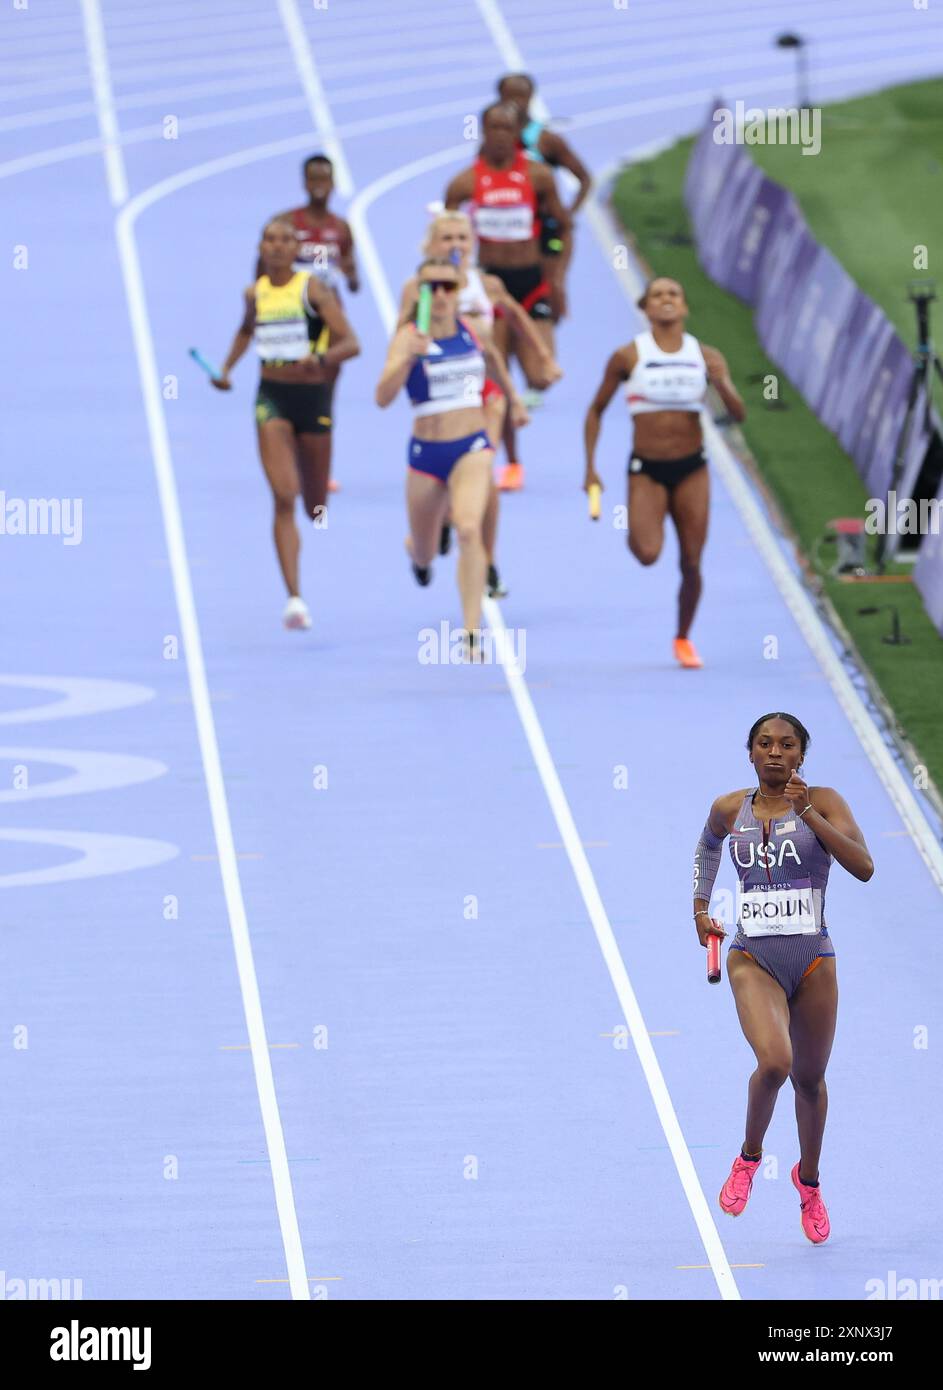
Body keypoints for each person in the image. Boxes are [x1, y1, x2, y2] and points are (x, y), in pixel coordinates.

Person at [693, 713, 874, 1244]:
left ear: (801, 755)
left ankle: (809, 1183)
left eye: (787, 744)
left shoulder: (826, 800)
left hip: (815, 958)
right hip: (754, 958)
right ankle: (749, 1158)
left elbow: (863, 866)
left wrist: (809, 813)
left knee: (810, 1081)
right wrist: (700, 909)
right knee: (775, 1061)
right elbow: (706, 848)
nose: (775, 751)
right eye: (764, 744)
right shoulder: (730, 809)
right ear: (749, 753)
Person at [583, 276, 745, 669]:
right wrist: (590, 468)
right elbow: (595, 411)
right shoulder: (628, 357)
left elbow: (737, 416)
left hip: (692, 468)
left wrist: (721, 383)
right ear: (646, 308)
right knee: (648, 553)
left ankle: (684, 638)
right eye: (658, 295)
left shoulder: (704, 356)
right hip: (647, 469)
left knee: (691, 561)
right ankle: (639, 530)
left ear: (685, 307)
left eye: (674, 293)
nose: (667, 299)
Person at [397, 211, 559, 592]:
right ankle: (430, 537)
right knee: (457, 488)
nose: (456, 246)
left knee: (482, 476)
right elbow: (400, 339)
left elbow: (518, 318)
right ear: (431, 246)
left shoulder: (487, 284)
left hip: (486, 394)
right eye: (447, 239)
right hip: (444, 394)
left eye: (462, 239)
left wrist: (543, 359)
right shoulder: (420, 288)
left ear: (473, 243)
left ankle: (488, 560)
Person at [211, 218, 359, 630]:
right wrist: (225, 369)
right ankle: (294, 598)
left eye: (284, 241)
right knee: (283, 495)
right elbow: (245, 332)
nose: (276, 247)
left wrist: (321, 359)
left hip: (312, 400)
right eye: (269, 240)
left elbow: (352, 343)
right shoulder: (254, 294)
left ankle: (314, 500)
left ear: (295, 248)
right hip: (271, 397)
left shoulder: (312, 289)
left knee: (315, 507)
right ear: (260, 247)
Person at [376, 256, 527, 653]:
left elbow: (494, 361)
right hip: (426, 455)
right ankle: (418, 554)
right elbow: (382, 397)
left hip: (471, 446)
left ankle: (472, 632)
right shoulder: (408, 336)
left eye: (448, 286)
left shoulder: (473, 330)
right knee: (427, 550)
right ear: (419, 292)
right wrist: (408, 357)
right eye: (432, 287)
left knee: (467, 529)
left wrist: (515, 401)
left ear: (459, 290)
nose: (441, 294)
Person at [444, 103, 567, 491]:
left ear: (517, 131)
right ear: (482, 130)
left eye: (505, 127)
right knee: (495, 378)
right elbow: (444, 237)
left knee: (540, 377)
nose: (498, 134)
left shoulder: (539, 176)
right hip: (490, 285)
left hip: (532, 284)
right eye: (492, 127)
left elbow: (559, 228)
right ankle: (507, 463)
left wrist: (557, 279)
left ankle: (499, 450)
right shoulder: (464, 183)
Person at [268, 153, 359, 493]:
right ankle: (289, 462)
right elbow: (262, 272)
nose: (320, 186)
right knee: (291, 390)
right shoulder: (286, 224)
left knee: (324, 395)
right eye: (313, 179)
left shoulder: (341, 228)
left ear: (334, 183)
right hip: (292, 319)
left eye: (325, 179)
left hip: (330, 321)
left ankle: (319, 471)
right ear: (304, 182)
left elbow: (353, 276)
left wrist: (349, 276)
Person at [496, 72, 592, 322]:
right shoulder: (492, 143)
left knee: (551, 296)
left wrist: (570, 213)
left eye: (522, 96)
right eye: (509, 97)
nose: (515, 102)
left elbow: (584, 177)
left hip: (546, 233)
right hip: (507, 235)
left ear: (531, 98)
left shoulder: (546, 140)